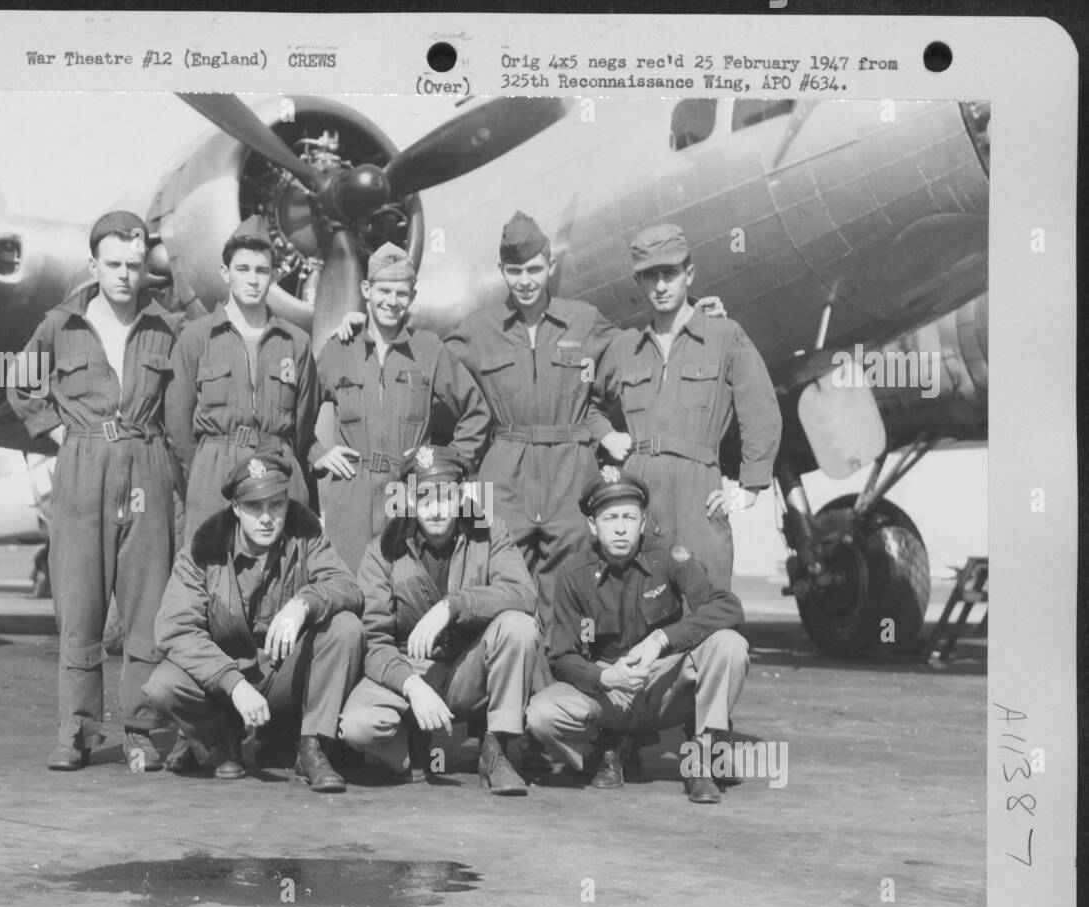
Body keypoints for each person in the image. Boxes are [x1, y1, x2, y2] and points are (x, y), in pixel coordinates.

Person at [8, 210, 182, 773]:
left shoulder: (166, 327)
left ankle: (142, 731)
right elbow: (20, 379)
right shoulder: (61, 324)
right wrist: (55, 429)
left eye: (135, 265)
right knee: (80, 605)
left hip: (147, 462)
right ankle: (76, 731)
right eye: (114, 265)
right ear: (94, 265)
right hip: (84, 465)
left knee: (146, 607)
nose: (126, 276)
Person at [443, 211, 629, 630]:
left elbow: (635, 357)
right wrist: (368, 326)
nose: (525, 280)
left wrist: (697, 317)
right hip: (504, 471)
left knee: (569, 587)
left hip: (571, 471)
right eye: (515, 271)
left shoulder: (585, 320)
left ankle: (555, 686)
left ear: (551, 267)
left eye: (533, 269)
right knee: (499, 581)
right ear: (501, 272)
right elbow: (427, 366)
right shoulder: (478, 328)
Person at [145, 449, 365, 792]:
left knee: (346, 626)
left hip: (281, 674)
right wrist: (234, 684)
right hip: (224, 678)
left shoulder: (305, 533)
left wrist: (302, 604)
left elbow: (348, 588)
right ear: (235, 508)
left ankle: (312, 745)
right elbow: (175, 630)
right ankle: (222, 736)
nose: (267, 518)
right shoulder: (204, 549)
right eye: (254, 507)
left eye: (276, 505)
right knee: (163, 685)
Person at [525, 467, 749, 803]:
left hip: (664, 687)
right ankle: (605, 748)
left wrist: (661, 640)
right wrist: (605, 675)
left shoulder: (669, 556)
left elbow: (728, 608)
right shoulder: (574, 574)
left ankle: (700, 760)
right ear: (592, 526)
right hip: (610, 694)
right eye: (610, 517)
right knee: (542, 715)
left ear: (643, 523)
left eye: (629, 517)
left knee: (730, 645)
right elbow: (561, 658)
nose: (619, 527)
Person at [339, 446, 541, 794]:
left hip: (468, 668)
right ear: (408, 501)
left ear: (461, 496)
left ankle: (497, 749)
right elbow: (375, 640)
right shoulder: (382, 551)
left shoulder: (490, 533)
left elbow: (523, 593)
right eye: (423, 498)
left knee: (519, 627)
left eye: (445, 497)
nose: (434, 509)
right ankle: (411, 749)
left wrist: (453, 606)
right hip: (409, 670)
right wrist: (411, 685)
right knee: (357, 726)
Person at [604, 223, 781, 590]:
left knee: (706, 608)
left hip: (698, 494)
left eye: (669, 273)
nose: (661, 285)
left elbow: (760, 410)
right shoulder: (625, 348)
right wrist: (604, 435)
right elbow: (581, 397)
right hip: (639, 492)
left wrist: (750, 487)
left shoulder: (725, 336)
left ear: (690, 274)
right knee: (640, 611)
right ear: (638, 283)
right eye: (649, 276)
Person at [312, 243, 491, 572]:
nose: (391, 302)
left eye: (401, 293)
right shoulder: (339, 349)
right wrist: (318, 454)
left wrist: (445, 469)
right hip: (350, 494)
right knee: (348, 592)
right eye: (383, 290)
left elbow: (476, 411)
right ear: (366, 289)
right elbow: (298, 409)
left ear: (412, 295)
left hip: (406, 493)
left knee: (404, 589)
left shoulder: (428, 350)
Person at [164, 216, 318, 540]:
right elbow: (177, 424)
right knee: (214, 576)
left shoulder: (296, 342)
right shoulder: (196, 337)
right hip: (215, 473)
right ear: (225, 273)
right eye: (243, 269)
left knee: (280, 578)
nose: (253, 279)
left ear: (273, 276)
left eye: (262, 271)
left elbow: (303, 422)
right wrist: (205, 469)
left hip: (278, 470)